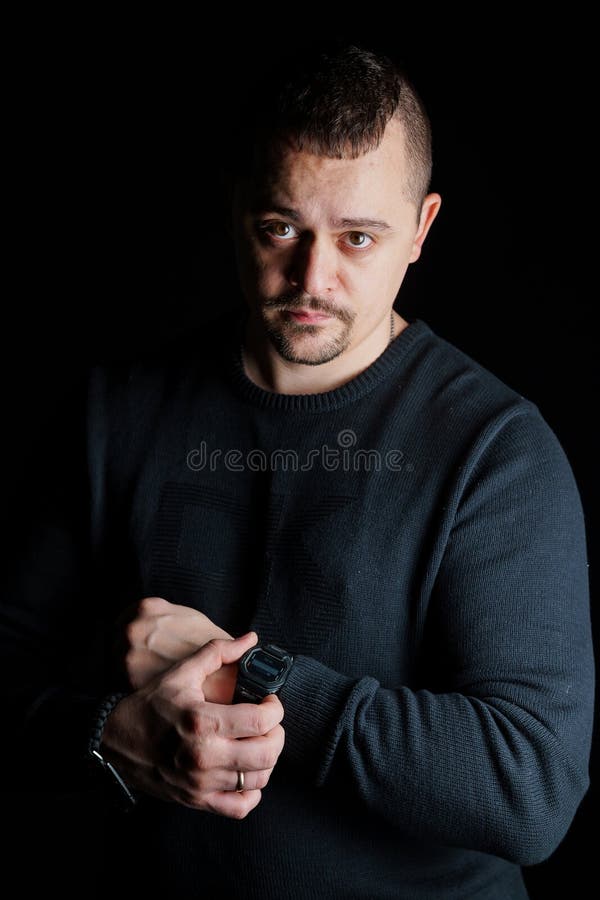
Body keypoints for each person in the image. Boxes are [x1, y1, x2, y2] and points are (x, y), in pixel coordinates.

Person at [1, 43, 594, 899]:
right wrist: (107, 736)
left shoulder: (496, 451)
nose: (313, 278)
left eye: (359, 238)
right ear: (235, 206)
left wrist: (252, 679)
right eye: (280, 228)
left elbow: (529, 789)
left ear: (422, 230)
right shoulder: (113, 414)